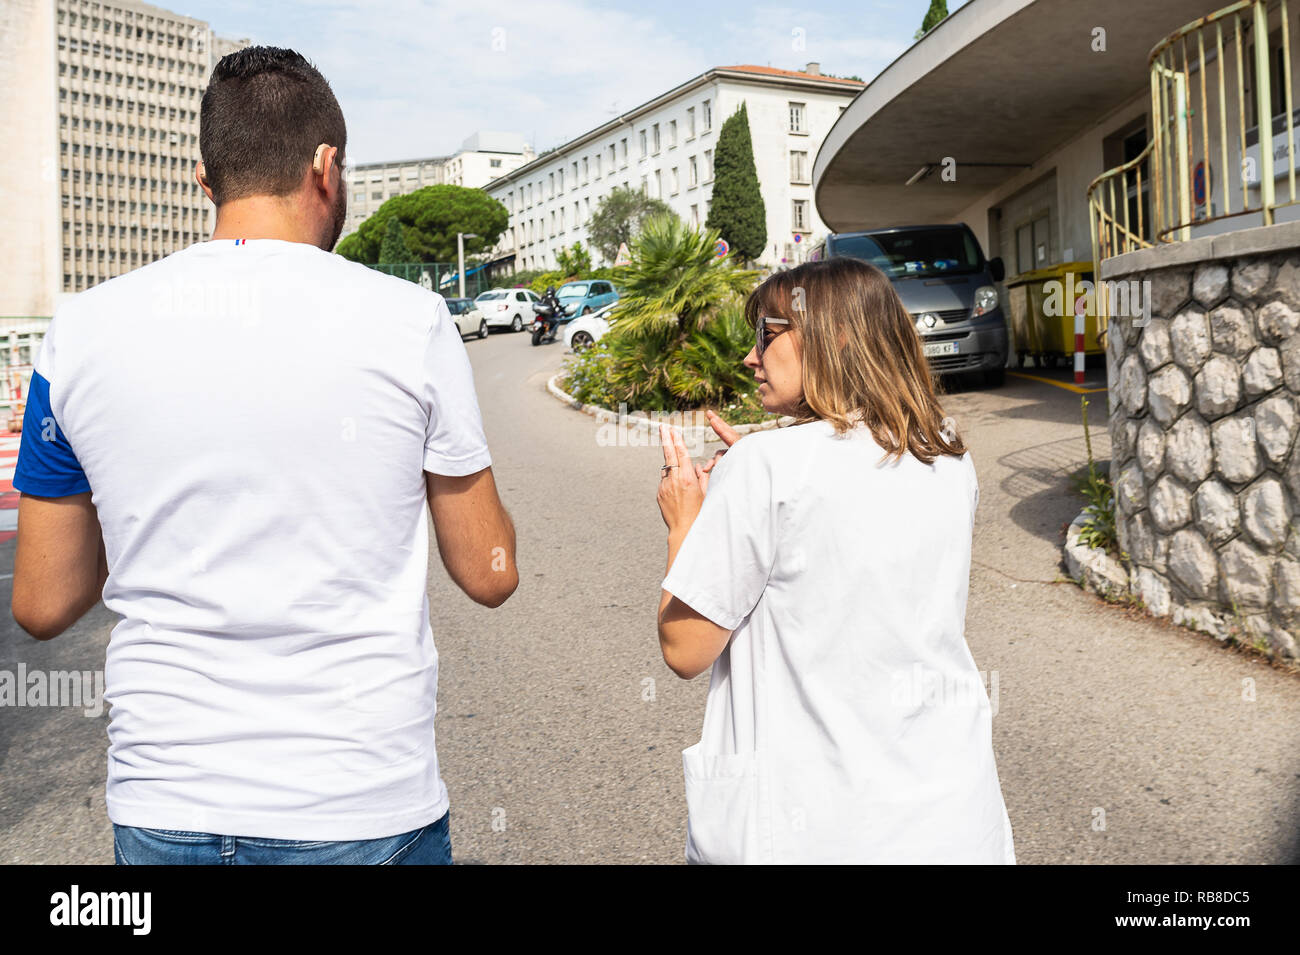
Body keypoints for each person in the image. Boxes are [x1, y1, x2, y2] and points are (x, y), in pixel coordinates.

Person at [11, 46, 518, 865]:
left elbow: (40, 600)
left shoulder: (80, 334)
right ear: (328, 167)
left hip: (165, 802)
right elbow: (489, 572)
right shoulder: (411, 321)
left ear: (205, 180)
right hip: (360, 804)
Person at [655, 256, 1015, 864]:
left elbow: (685, 649)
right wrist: (771, 481)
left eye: (767, 334)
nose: (750, 356)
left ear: (834, 336)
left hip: (816, 832)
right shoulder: (948, 455)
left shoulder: (765, 469)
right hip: (951, 819)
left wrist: (687, 518)